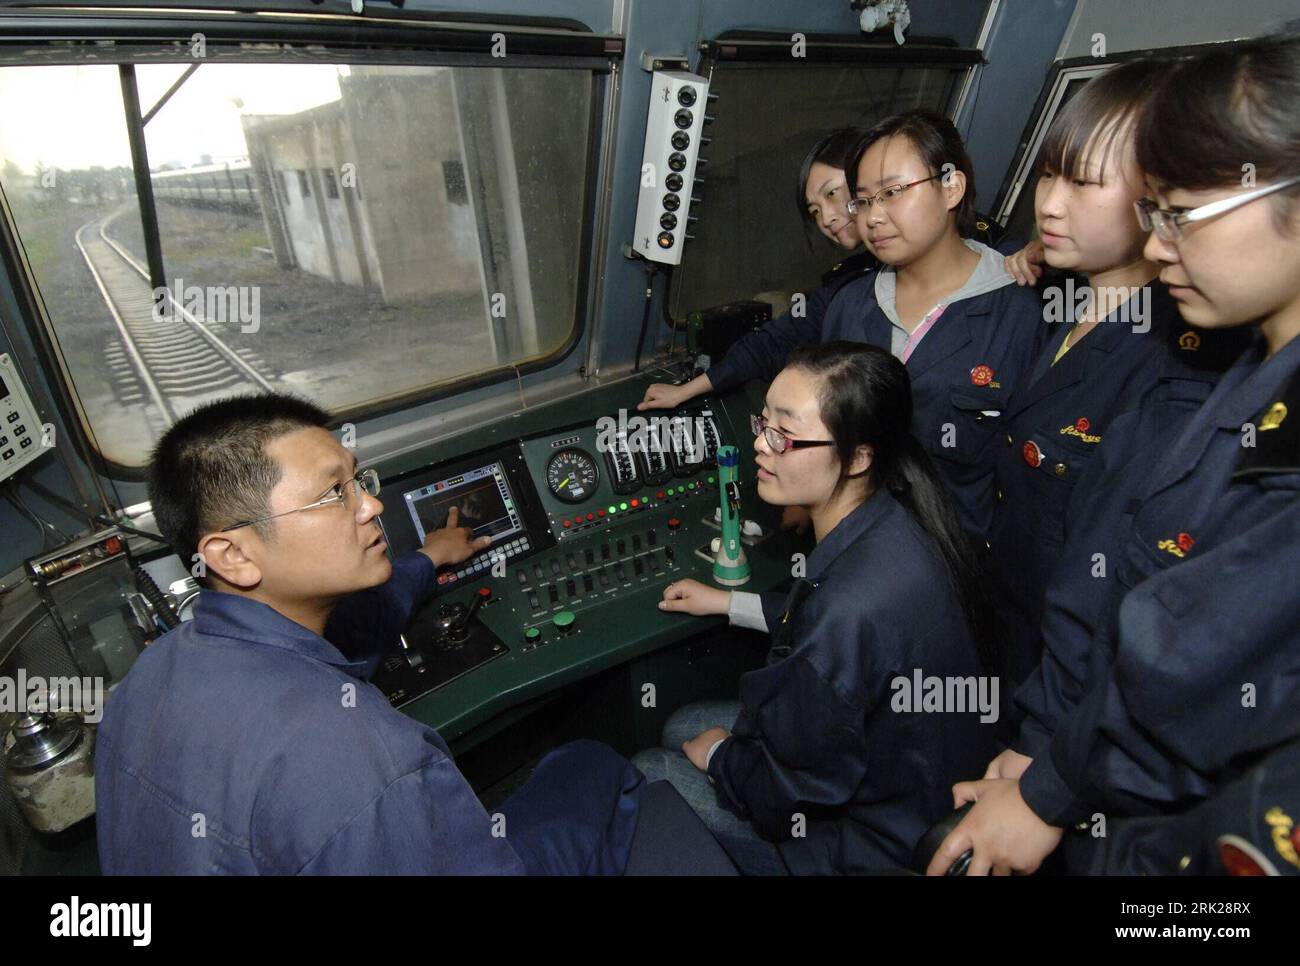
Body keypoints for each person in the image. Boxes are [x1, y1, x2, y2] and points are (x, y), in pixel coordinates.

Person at [926, 30, 1300, 875]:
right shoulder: (1247, 367)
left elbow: (1163, 636)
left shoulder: (1191, 376)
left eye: (1178, 213)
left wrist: (1047, 781)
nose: (1159, 240)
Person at [95, 393, 643, 875]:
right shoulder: (364, 761)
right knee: (592, 765)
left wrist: (429, 557)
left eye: (359, 479)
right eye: (335, 493)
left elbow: (370, 613)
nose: (372, 505)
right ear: (233, 554)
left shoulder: (148, 677)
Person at [634, 342, 996, 874]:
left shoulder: (848, 610)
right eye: (763, 422)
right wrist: (727, 602)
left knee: (650, 769)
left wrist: (720, 758)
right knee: (686, 722)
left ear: (858, 457)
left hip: (862, 846)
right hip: (911, 778)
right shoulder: (896, 518)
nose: (760, 444)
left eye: (783, 433)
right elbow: (823, 623)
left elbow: (788, 800)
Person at [639, 125, 1014, 536]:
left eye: (835, 195)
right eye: (816, 211)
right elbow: (775, 342)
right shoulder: (848, 298)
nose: (832, 218)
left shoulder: (1016, 292)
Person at [986, 57, 1198, 691]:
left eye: (1083, 184)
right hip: (1001, 629)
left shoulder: (1167, 366)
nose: (1048, 203)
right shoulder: (1066, 298)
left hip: (1050, 675)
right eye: (1048, 174)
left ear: (1159, 199)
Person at [778, 111, 1043, 539]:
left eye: (893, 192)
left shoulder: (1018, 313)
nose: (873, 217)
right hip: (850, 542)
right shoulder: (849, 306)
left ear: (951, 187)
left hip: (954, 559)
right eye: (863, 201)